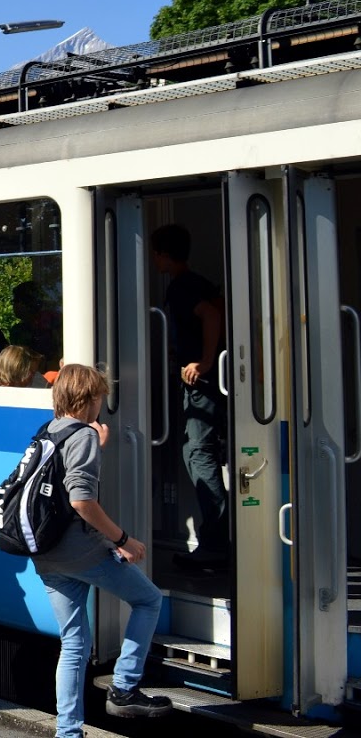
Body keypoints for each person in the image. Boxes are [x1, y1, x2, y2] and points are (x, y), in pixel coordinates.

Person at [32, 364, 173, 731]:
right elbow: (81, 500)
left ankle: (69, 731)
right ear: (89, 398)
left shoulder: (47, 432)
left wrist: (98, 447)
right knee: (148, 599)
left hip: (46, 555)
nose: (101, 407)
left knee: (75, 643)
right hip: (81, 552)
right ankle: (124, 688)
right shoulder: (84, 437)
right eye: (100, 399)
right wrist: (122, 539)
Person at [152, 223, 228, 570]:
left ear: (164, 255)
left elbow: (212, 316)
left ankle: (215, 545)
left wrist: (206, 361)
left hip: (201, 385)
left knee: (198, 454)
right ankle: (217, 539)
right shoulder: (196, 282)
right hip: (204, 382)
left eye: (156, 254)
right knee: (196, 452)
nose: (154, 260)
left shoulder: (182, 287)